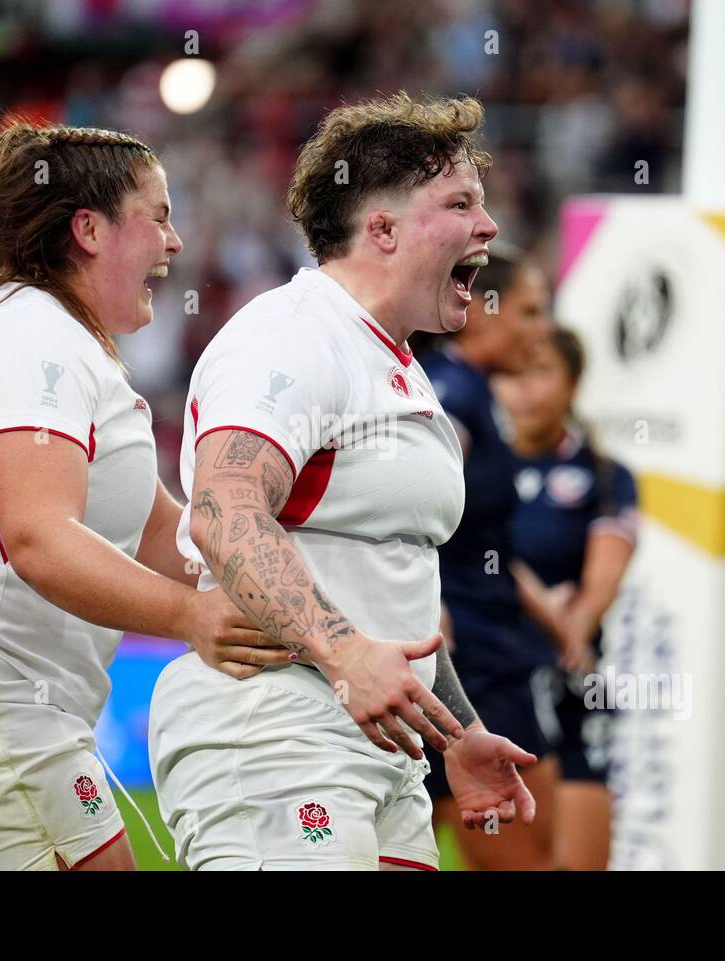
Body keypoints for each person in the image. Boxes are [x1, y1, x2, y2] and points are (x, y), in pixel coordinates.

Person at [0, 123, 285, 872]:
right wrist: (190, 618)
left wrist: (302, 602)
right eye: (159, 216)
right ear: (90, 230)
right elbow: (39, 538)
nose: (177, 242)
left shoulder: (39, 333)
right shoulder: (33, 335)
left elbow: (172, 539)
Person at [148, 93, 538, 871]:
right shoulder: (288, 337)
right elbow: (224, 515)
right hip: (272, 732)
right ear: (382, 229)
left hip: (382, 750)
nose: (488, 228)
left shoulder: (401, 365)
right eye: (460, 203)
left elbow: (394, 581)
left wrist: (456, 736)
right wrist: (345, 655)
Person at [418, 244, 559, 870]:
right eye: (530, 312)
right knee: (517, 860)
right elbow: (415, 494)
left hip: (496, 648)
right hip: (468, 661)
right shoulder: (449, 390)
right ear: (479, 309)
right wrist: (435, 602)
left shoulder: (474, 390)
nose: (542, 329)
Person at [495, 328, 638, 870]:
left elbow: (607, 569)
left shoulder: (602, 475)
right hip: (490, 681)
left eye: (540, 373)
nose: (524, 391)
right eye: (511, 375)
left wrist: (575, 624)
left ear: (573, 383)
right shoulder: (474, 470)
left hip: (571, 684)